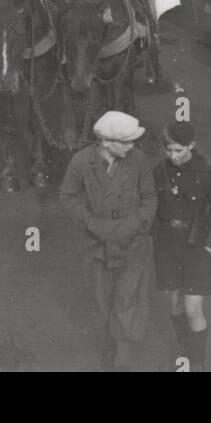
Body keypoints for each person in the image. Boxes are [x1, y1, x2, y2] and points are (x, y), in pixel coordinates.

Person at [59, 110, 157, 372]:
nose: (131, 146)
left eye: (132, 141)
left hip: (132, 244)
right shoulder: (81, 162)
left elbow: (150, 197)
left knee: (126, 300)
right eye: (125, 142)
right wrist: (91, 223)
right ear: (105, 141)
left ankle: (123, 356)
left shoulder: (139, 161)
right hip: (97, 247)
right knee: (101, 302)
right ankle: (109, 345)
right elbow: (68, 197)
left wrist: (135, 225)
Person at [153, 120, 211, 372]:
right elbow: (150, 204)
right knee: (175, 303)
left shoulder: (205, 173)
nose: (172, 155)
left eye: (178, 150)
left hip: (196, 246)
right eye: (169, 150)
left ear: (191, 146)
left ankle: (198, 364)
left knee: (193, 307)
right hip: (167, 246)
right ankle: (184, 350)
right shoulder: (159, 171)